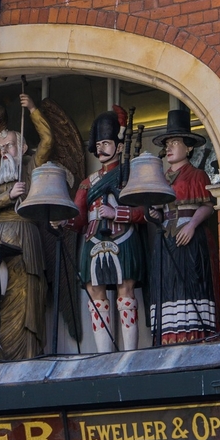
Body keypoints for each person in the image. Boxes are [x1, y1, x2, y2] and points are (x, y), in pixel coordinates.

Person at [0, 94, 53, 360]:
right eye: (1, 147)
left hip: (24, 242)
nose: (4, 151)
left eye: (9, 146)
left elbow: (48, 141)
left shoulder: (31, 168)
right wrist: (8, 197)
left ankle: (26, 354)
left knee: (25, 299)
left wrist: (33, 110)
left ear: (21, 148)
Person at [71, 109, 145, 352]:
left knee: (126, 288)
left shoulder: (131, 175)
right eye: (98, 144)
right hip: (93, 237)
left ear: (119, 146)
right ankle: (104, 354)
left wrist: (117, 214)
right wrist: (62, 221)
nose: (101, 149)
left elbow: (145, 212)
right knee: (94, 290)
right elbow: (79, 217)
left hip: (124, 236)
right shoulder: (87, 182)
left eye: (106, 143)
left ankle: (130, 352)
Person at [148, 107, 217, 344]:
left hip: (190, 238)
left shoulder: (197, 176)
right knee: (168, 285)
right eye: (167, 143)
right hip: (166, 239)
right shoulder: (160, 178)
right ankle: (169, 337)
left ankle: (194, 334)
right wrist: (154, 214)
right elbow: (158, 212)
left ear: (188, 148)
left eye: (175, 142)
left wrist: (192, 225)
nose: (169, 147)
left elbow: (207, 205)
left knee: (191, 284)